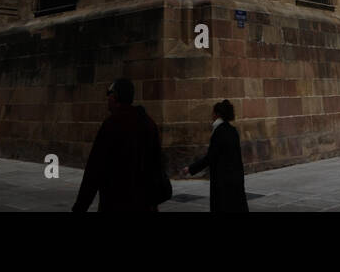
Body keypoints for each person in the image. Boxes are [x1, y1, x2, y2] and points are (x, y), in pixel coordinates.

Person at [72, 78, 167, 212]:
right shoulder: (148, 123)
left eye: (109, 93)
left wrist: (80, 207)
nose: (107, 98)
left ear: (115, 96)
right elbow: (157, 164)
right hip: (144, 204)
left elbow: (94, 170)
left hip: (116, 202)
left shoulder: (112, 125)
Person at [185, 99, 248, 212]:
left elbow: (210, 157)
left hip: (223, 180)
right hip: (235, 178)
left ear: (217, 114)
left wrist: (191, 168)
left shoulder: (218, 132)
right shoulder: (233, 131)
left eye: (213, 113)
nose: (211, 115)